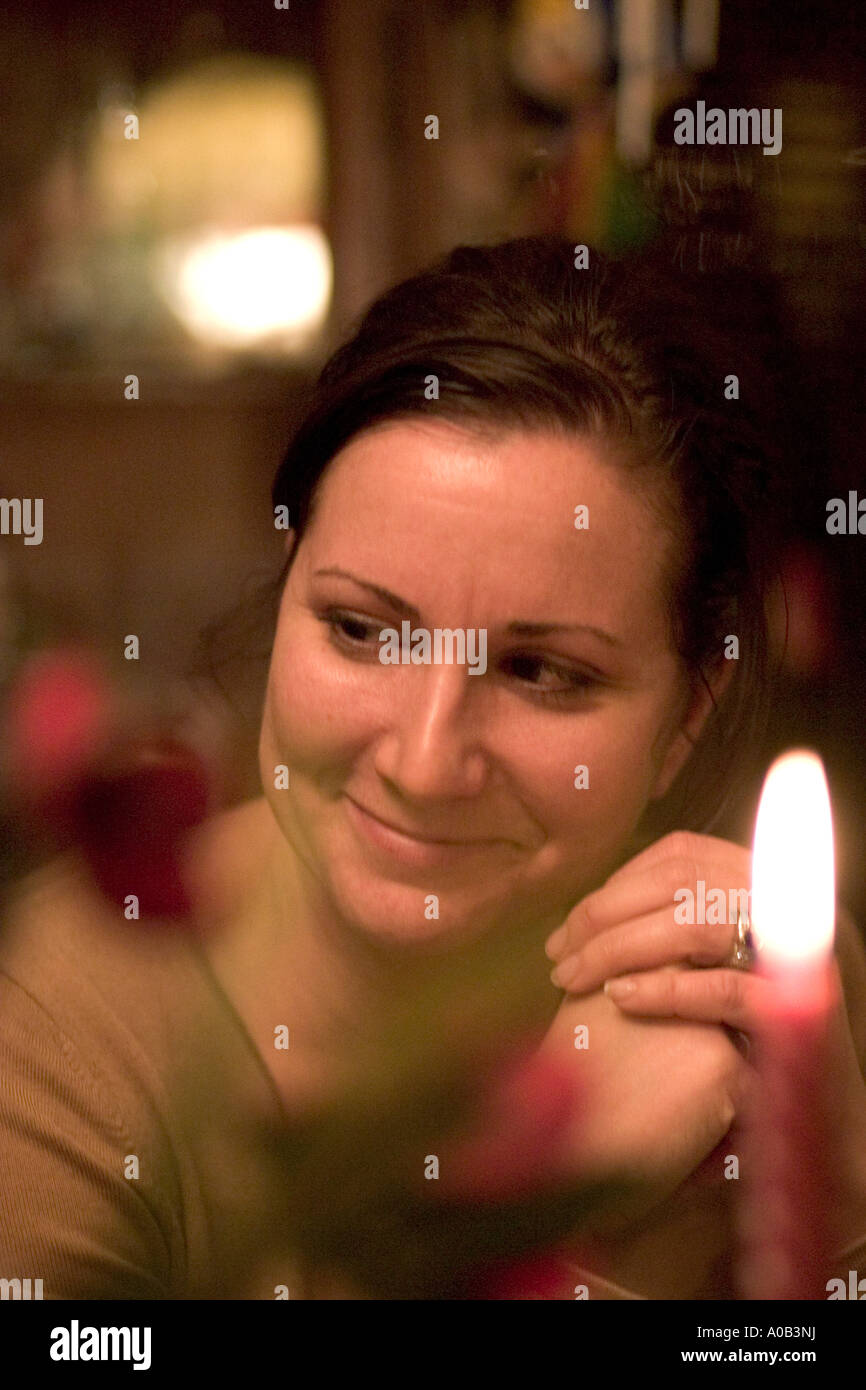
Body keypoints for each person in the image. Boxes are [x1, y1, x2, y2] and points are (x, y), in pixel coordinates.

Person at [2, 236, 866, 1300]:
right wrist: (541, 1216)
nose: (423, 762)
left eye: (540, 671)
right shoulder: (50, 1052)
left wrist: (839, 1207)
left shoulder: (753, 972)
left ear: (689, 713)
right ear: (286, 589)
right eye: (361, 630)